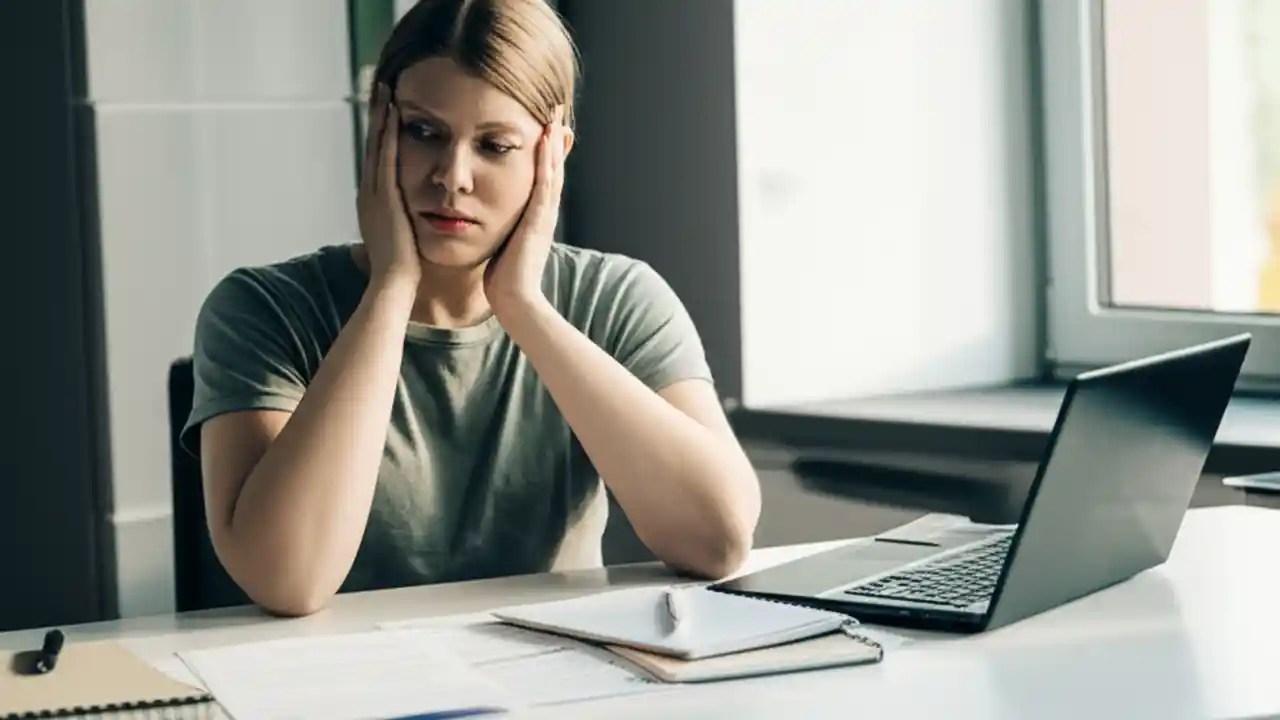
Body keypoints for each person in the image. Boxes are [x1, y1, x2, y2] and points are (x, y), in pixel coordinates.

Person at [181, 0, 761, 616]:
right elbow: (287, 580)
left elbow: (718, 542)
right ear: (380, 126)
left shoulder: (616, 297)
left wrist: (522, 306)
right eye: (424, 132)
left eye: (495, 145)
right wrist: (391, 287)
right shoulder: (262, 308)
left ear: (551, 155)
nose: (453, 176)